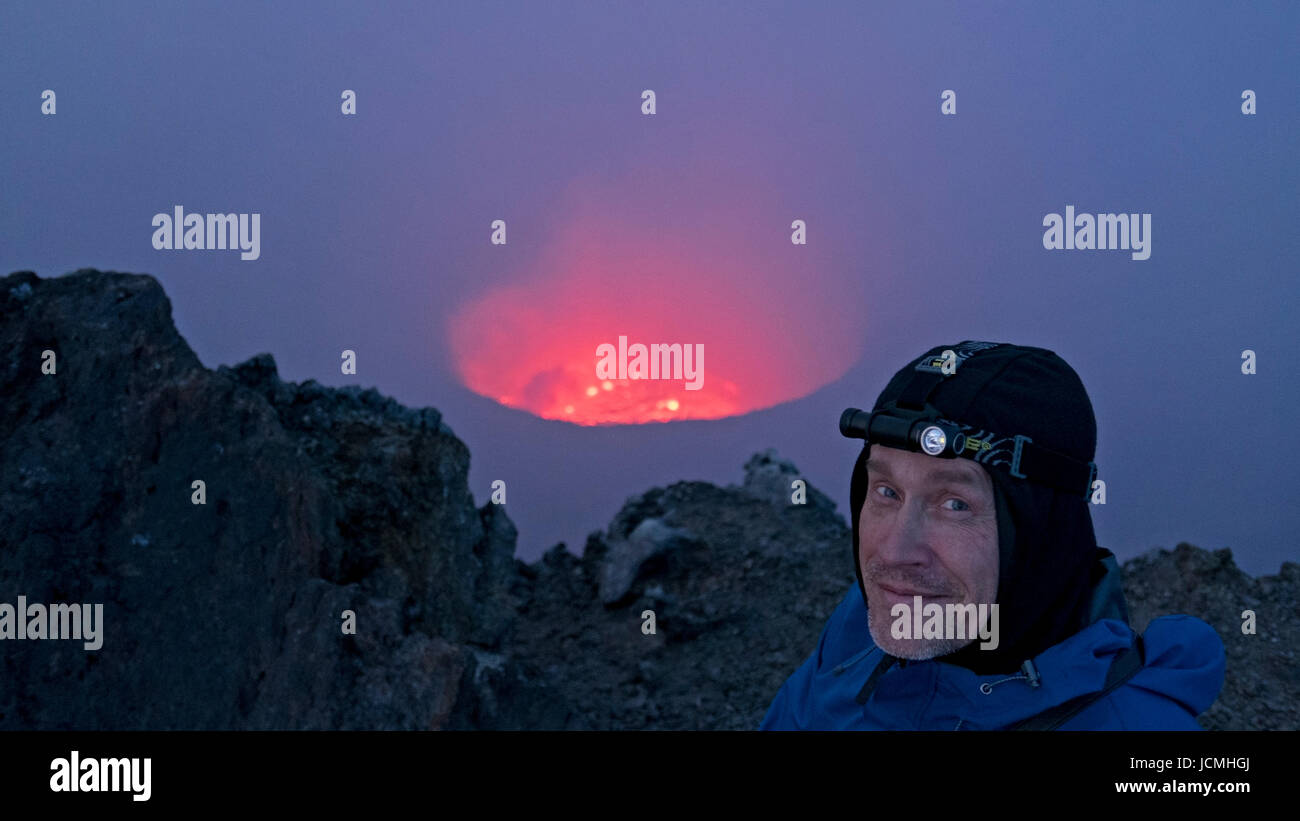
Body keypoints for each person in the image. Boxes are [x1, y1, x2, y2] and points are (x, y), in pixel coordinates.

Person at [759, 341, 1225, 730]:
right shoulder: (857, 631)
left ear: (1043, 532)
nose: (896, 552)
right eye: (886, 491)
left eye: (955, 504)